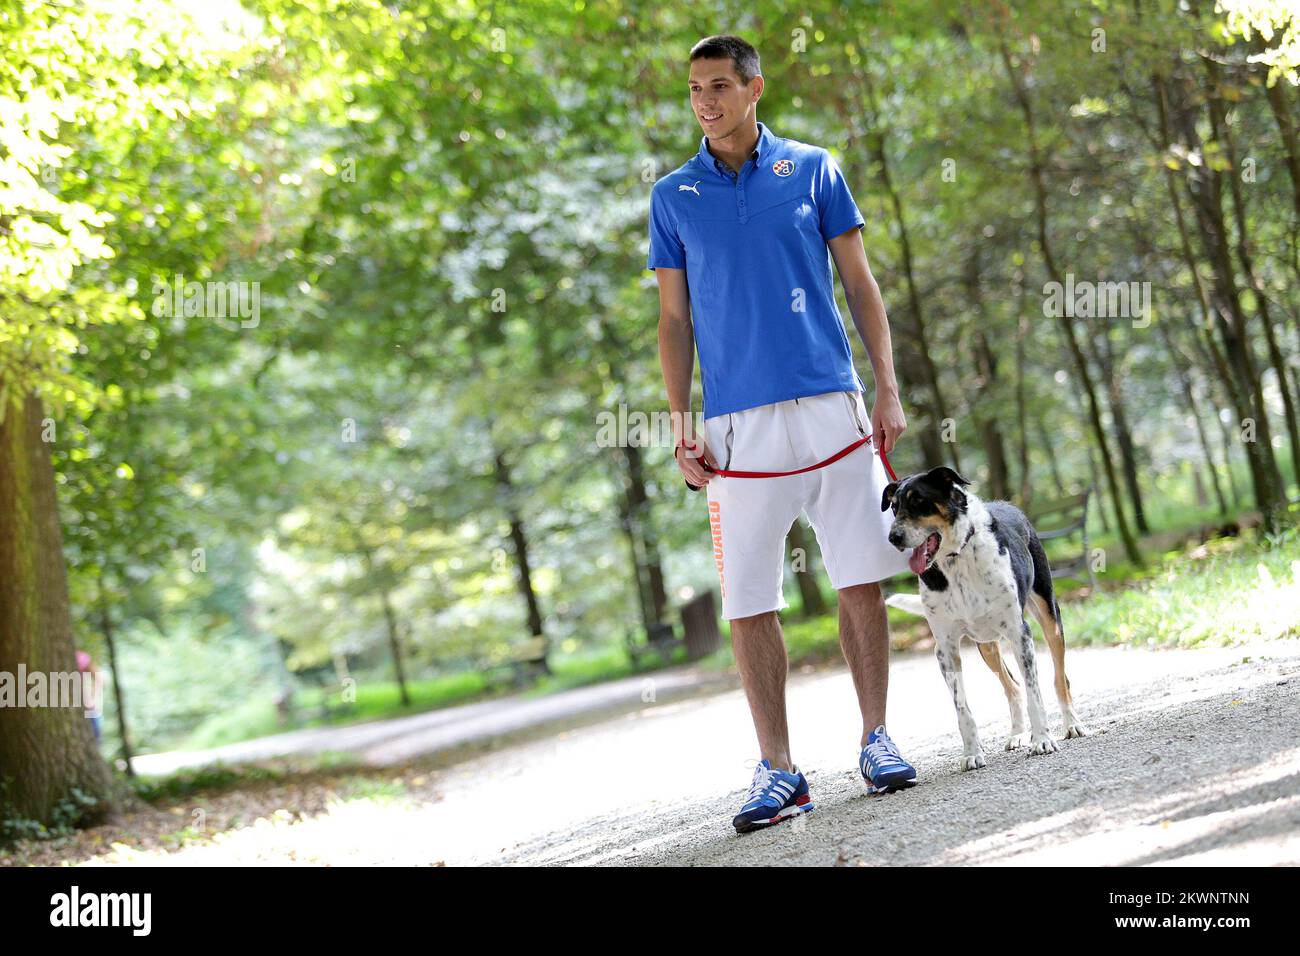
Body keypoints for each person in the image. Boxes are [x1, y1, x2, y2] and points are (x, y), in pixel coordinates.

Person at [648, 35, 918, 833]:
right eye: (695, 88)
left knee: (861, 576)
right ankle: (779, 770)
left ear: (755, 87)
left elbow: (861, 285)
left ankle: (877, 739)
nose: (705, 100)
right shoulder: (672, 195)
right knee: (748, 598)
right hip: (736, 426)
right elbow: (672, 318)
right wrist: (679, 421)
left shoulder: (813, 167)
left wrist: (887, 388)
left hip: (833, 403)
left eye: (721, 85)